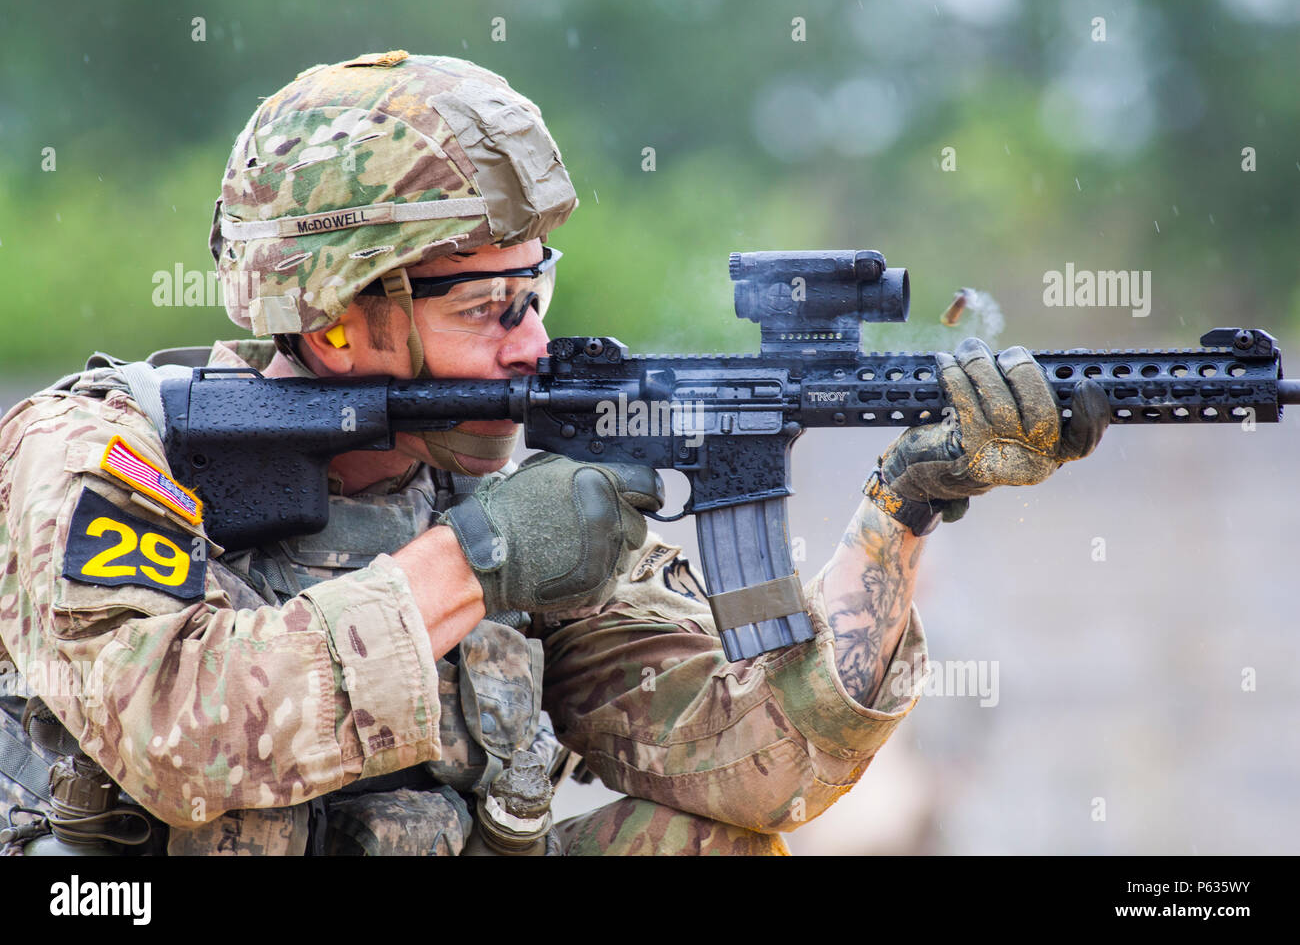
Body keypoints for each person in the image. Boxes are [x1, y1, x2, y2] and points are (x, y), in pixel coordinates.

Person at [0, 51, 1109, 855]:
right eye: (491, 305)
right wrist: (474, 561)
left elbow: (760, 765)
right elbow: (175, 736)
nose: (531, 342)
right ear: (336, 317)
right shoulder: (109, 450)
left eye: (539, 291)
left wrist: (899, 513)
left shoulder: (509, 485)